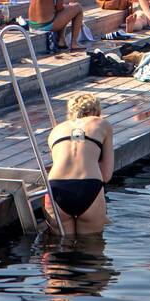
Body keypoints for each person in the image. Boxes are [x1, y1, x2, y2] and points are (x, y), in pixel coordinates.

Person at [44, 92, 114, 236]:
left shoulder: (56, 130)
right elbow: (106, 175)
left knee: (62, 248)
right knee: (92, 249)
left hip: (56, 188)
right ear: (96, 111)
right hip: (89, 187)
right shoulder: (102, 124)